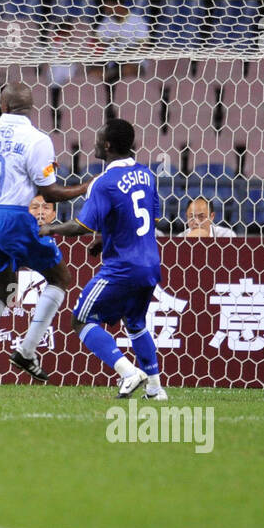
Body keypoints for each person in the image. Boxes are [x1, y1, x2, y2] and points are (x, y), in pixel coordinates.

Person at [0, 83, 90, 390]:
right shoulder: (38, 140)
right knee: (60, 277)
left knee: (5, 286)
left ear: (3, 106)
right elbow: (49, 191)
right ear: (31, 108)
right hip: (13, 216)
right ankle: (27, 352)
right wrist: (84, 188)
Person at [41, 118, 167, 400]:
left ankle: (128, 372)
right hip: (150, 264)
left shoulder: (104, 182)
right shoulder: (147, 174)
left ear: (107, 145)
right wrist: (105, 236)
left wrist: (49, 228)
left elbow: (81, 227)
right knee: (135, 322)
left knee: (81, 321)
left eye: (98, 137)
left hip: (122, 267)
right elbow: (149, 217)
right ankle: (156, 390)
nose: (95, 141)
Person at [88, 0, 149, 81]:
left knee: (126, 70)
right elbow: (99, 43)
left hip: (134, 61)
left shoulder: (137, 20)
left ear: (117, 4)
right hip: (112, 60)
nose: (103, 6)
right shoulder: (107, 21)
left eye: (106, 3)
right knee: (94, 73)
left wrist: (123, 51)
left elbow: (143, 48)